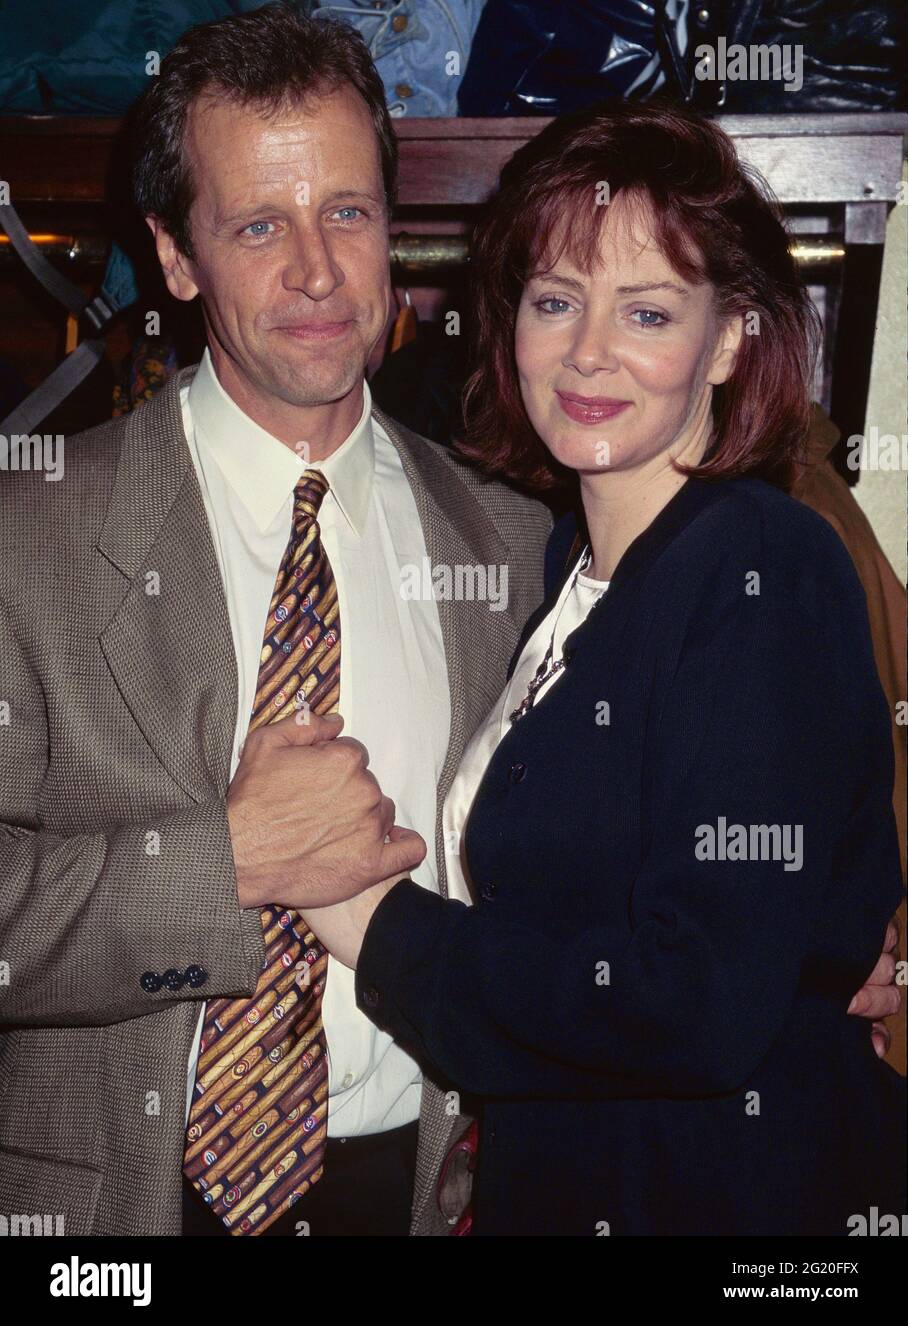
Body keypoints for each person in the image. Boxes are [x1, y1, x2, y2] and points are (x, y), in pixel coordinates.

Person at [300, 100, 907, 1235]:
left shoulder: (756, 566)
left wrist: (383, 929)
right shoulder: (566, 571)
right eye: (554, 301)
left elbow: (693, 1004)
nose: (587, 352)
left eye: (644, 311)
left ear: (727, 338)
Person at [0, 3, 552, 1237]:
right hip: (112, 1221)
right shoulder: (20, 535)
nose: (315, 271)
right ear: (178, 257)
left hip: (411, 1194)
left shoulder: (513, 546)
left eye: (345, 213)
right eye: (259, 224)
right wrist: (230, 863)